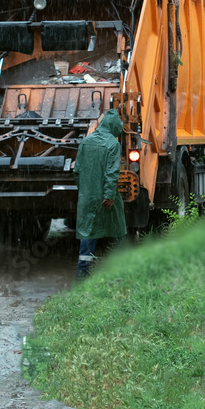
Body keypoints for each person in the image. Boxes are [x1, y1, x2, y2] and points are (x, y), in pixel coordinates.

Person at [73, 108, 126, 280]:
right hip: (106, 198)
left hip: (87, 197)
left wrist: (85, 191)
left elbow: (77, 170)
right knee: (117, 230)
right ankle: (120, 273)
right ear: (114, 126)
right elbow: (112, 173)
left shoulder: (86, 142)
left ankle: (82, 274)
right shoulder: (113, 144)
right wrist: (109, 195)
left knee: (88, 233)